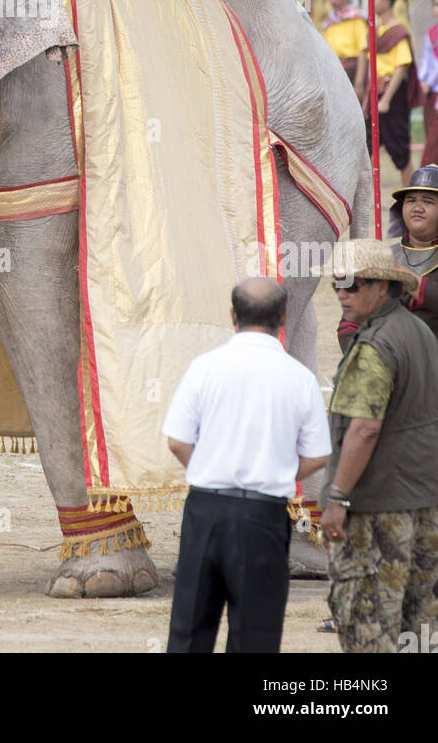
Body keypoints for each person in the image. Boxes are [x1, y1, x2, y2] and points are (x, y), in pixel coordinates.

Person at [163, 276, 331, 653]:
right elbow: (318, 455)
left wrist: (207, 467)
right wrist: (277, 473)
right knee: (255, 636)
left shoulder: (204, 367)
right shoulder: (300, 378)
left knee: (189, 630)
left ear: (232, 316)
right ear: (284, 316)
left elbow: (176, 440)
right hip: (265, 515)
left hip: (205, 509)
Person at [316, 238, 438, 654]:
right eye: (337, 284)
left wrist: (337, 497)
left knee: (369, 623)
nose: (342, 294)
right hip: (424, 500)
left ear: (383, 286)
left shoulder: (375, 345)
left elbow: (364, 428)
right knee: (420, 628)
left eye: (353, 284)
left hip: (377, 508)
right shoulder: (419, 332)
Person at [364, 0, 416, 188]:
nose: (372, 2)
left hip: (391, 96)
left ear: (386, 1)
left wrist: (385, 99)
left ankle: (411, 195)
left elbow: (401, 67)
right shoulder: (376, 29)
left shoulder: (398, 32)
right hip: (374, 91)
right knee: (365, 145)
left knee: (400, 148)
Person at [387, 167, 438, 340]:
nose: (417, 208)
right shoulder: (385, 255)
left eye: (428, 201)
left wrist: (399, 272)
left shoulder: (389, 263)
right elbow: (349, 323)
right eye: (410, 201)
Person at [321, 0, 367, 97]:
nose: (332, 0)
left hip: (350, 70)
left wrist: (358, 82)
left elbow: (362, 52)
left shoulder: (356, 19)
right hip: (332, 70)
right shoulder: (331, 20)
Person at [418, 0, 438, 168]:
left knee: (432, 146)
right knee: (430, 136)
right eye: (436, 5)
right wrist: (421, 82)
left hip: (433, 87)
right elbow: (426, 60)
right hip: (431, 92)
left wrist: (428, 81)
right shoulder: (432, 33)